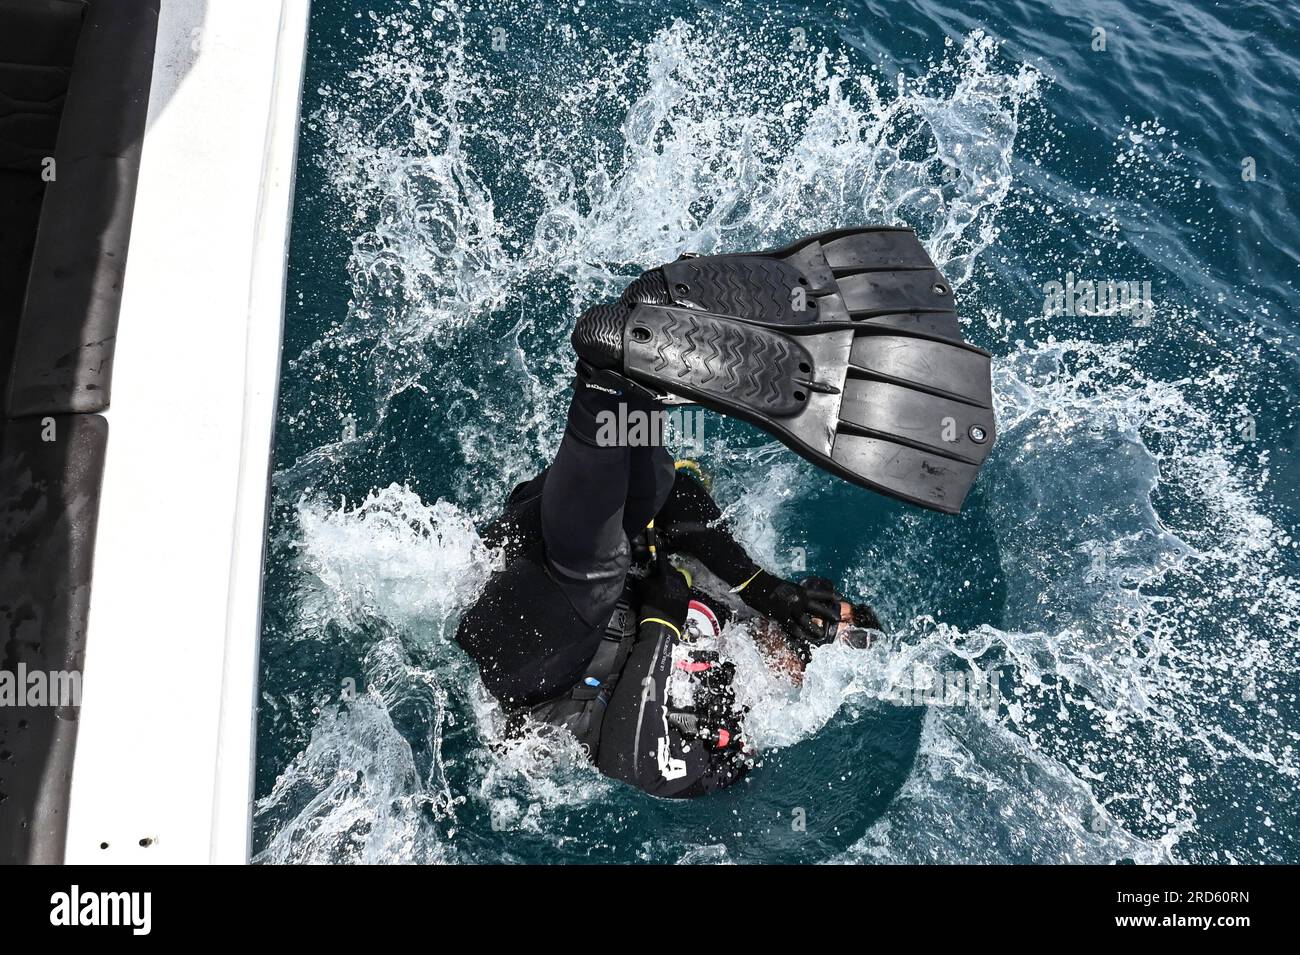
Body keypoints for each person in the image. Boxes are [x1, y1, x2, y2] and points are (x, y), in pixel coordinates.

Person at [456, 227, 994, 797]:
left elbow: (628, 761)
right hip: (528, 552)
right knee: (659, 493)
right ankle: (644, 351)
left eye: (828, 634)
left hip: (531, 673)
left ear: (807, 681)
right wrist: (765, 589)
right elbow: (684, 503)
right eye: (839, 612)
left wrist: (661, 626)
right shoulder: (732, 604)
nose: (819, 623)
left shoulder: (731, 743)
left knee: (604, 568)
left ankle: (602, 381)